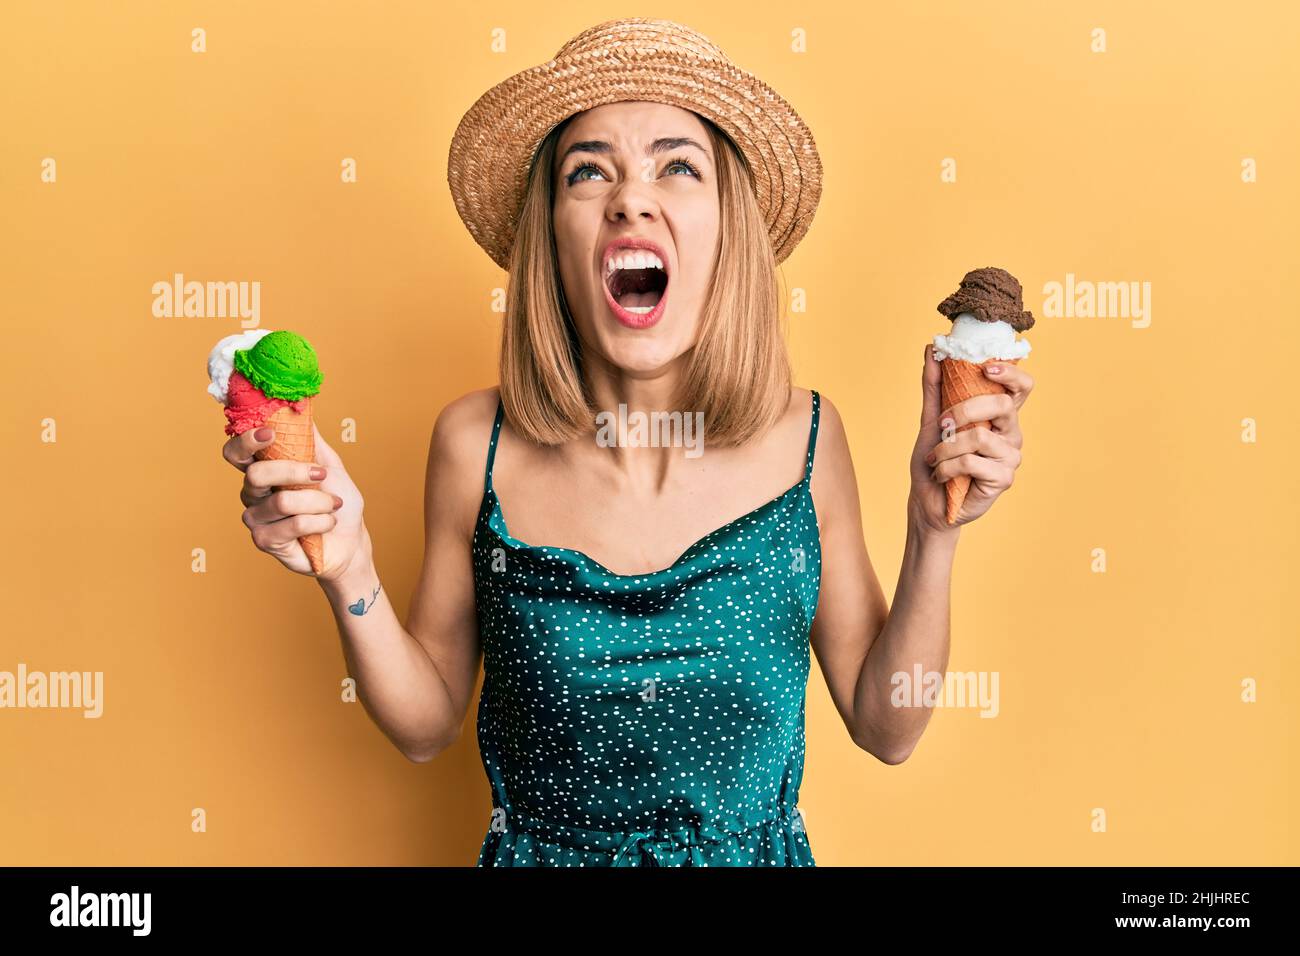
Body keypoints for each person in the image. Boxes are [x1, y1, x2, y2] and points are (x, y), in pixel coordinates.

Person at [220, 18, 1034, 866]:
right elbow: (426, 728)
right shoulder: (475, 445)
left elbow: (887, 725)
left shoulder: (809, 440)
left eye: (677, 166)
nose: (630, 197)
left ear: (728, 231)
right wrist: (347, 567)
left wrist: (934, 531)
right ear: (553, 238)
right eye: (589, 171)